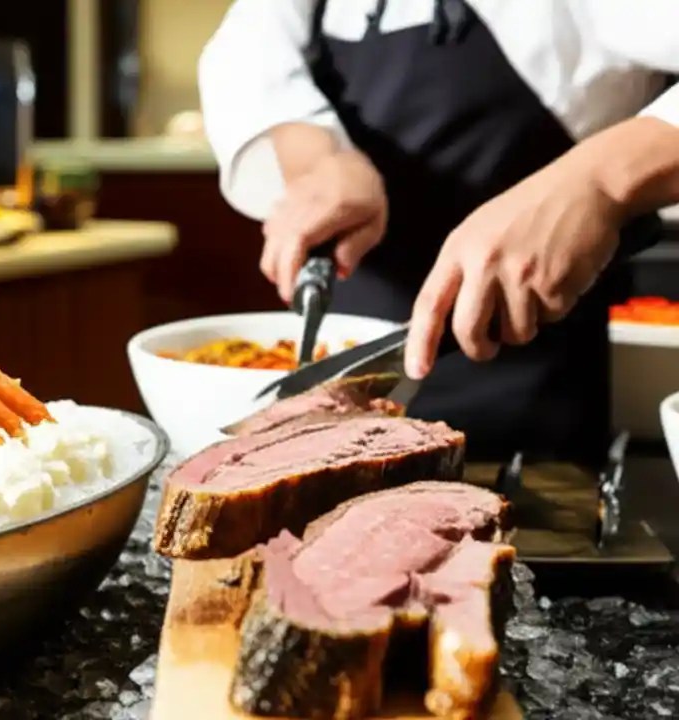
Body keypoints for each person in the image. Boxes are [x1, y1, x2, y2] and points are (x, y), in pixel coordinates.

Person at [200, 0, 679, 464]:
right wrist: (321, 162)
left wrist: (597, 183)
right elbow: (250, 57)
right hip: (339, 387)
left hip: (527, 418)